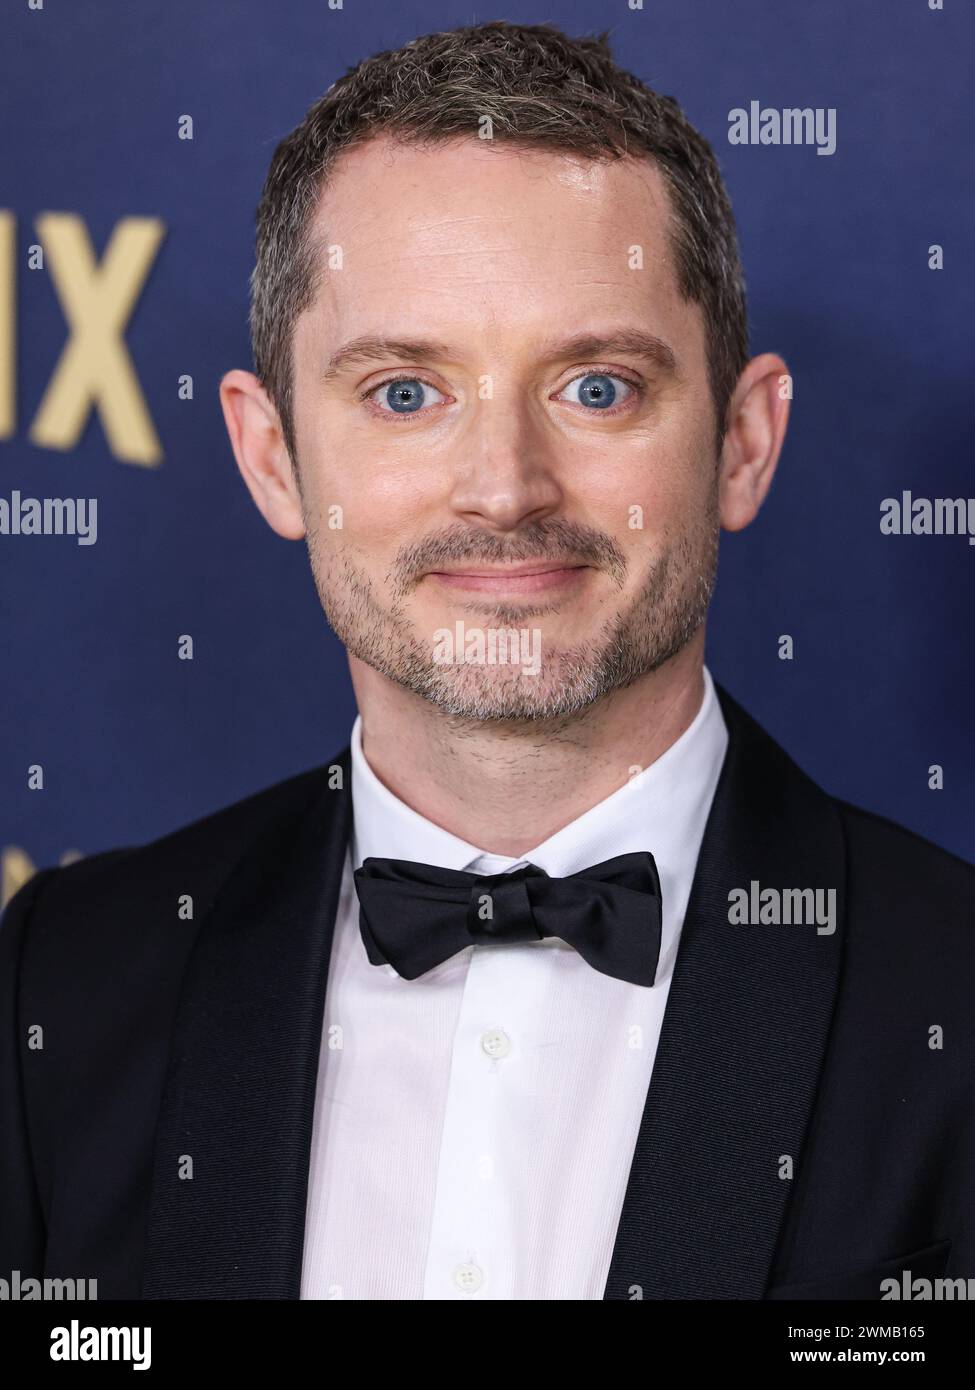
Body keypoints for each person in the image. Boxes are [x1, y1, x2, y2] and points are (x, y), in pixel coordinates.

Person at [2, 20, 972, 1302]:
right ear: (273, 456)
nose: (505, 489)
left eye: (599, 388)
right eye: (407, 391)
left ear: (743, 444)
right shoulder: (61, 981)